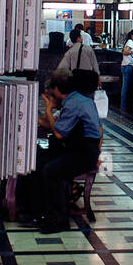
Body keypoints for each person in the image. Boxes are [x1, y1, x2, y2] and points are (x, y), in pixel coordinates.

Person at [34, 67, 102, 233]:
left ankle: (59, 220)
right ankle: (40, 211)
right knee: (40, 160)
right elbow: (54, 125)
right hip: (81, 150)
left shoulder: (72, 104)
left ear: (56, 89)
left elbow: (57, 132)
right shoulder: (78, 99)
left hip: (84, 154)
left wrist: (49, 109)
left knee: (51, 170)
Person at [119, 29, 133, 113]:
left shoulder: (130, 42)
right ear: (132, 36)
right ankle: (123, 106)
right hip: (128, 66)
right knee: (126, 87)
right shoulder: (130, 42)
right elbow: (125, 52)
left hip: (126, 65)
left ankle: (124, 106)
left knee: (126, 87)